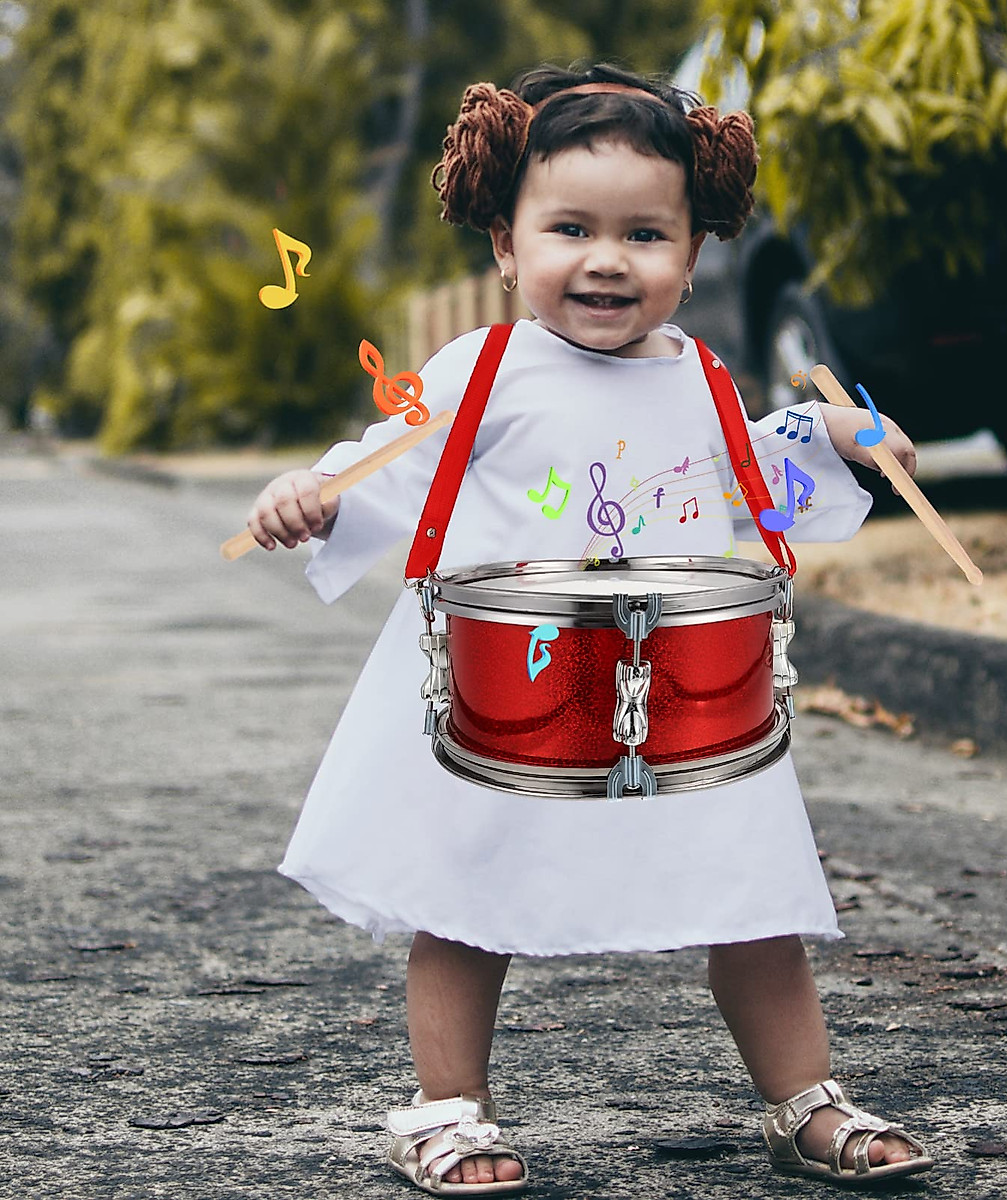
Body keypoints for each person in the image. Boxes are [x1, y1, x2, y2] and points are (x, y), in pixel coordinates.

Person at [245, 62, 933, 1194]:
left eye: (645, 234)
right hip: (509, 680)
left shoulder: (703, 375)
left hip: (687, 688)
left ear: (691, 252)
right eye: (570, 227)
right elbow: (386, 461)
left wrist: (842, 440)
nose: (608, 259)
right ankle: (448, 1108)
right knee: (464, 903)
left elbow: (762, 480)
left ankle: (804, 1101)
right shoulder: (482, 370)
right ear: (506, 246)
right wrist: (312, 494)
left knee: (754, 897)